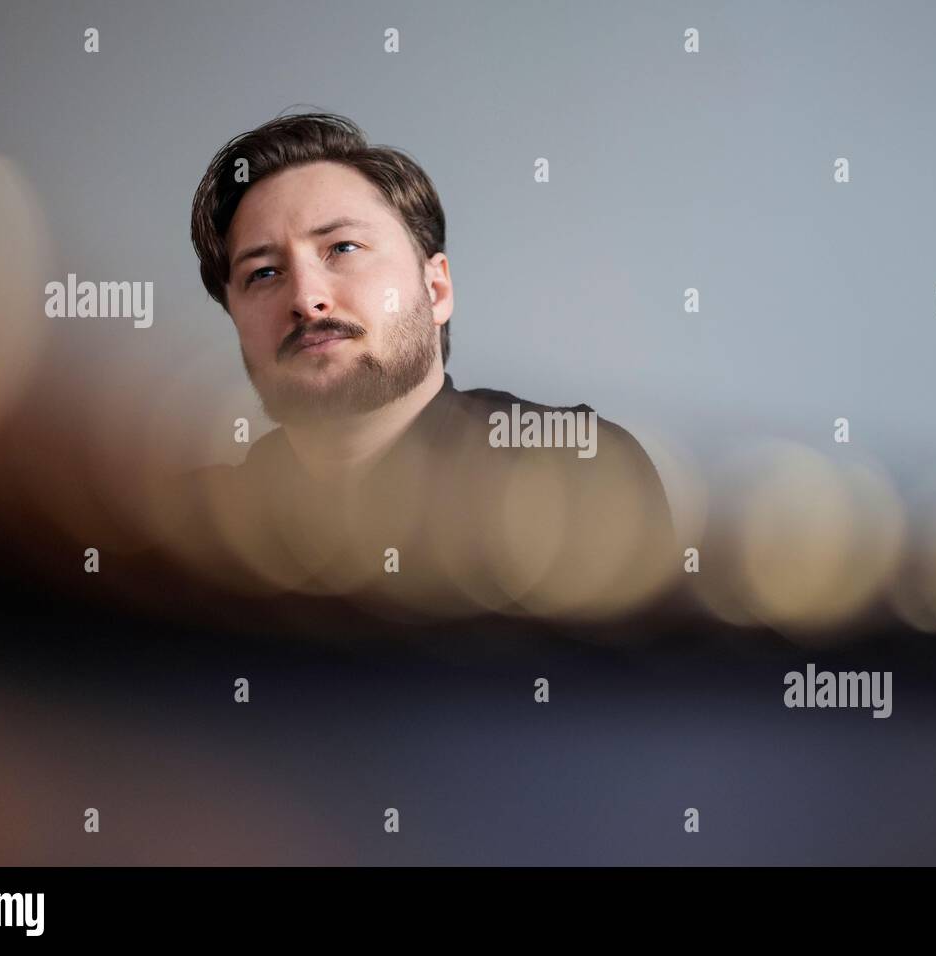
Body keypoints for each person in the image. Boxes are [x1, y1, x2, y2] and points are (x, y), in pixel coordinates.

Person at [162, 111, 677, 622]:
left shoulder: (575, 468)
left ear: (436, 290)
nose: (306, 298)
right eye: (264, 272)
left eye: (343, 248)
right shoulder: (188, 531)